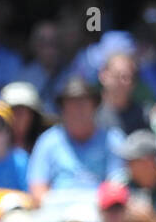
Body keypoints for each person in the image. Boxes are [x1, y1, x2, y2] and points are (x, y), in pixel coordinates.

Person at [27, 77, 120, 205]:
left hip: (100, 210)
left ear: (94, 106)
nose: (77, 110)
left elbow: (117, 185)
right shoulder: (48, 141)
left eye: (83, 103)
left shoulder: (112, 140)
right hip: (57, 211)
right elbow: (37, 188)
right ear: (62, 109)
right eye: (71, 104)